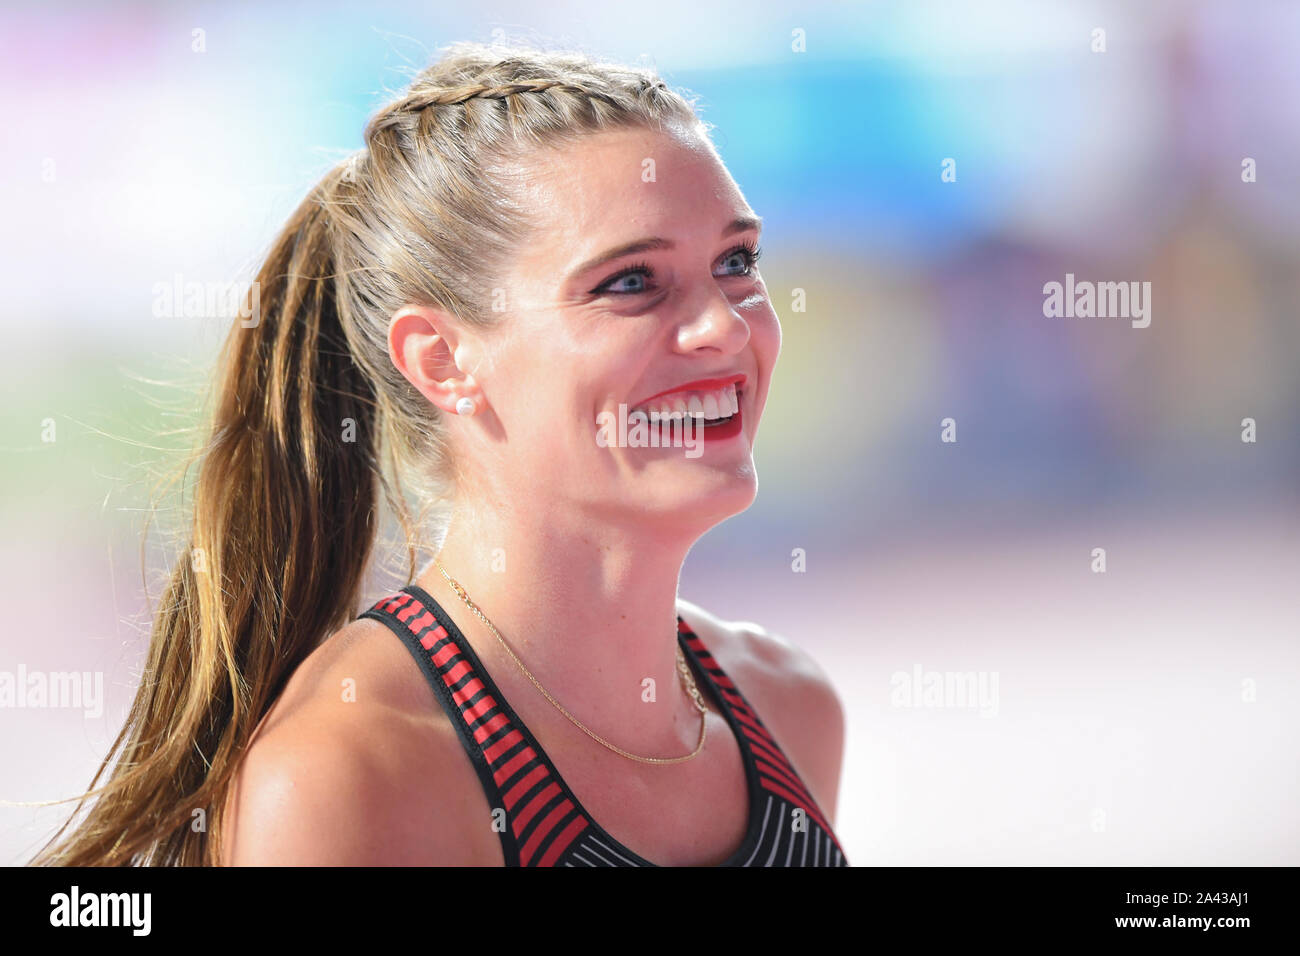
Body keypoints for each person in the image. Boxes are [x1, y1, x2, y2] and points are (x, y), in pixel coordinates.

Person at [32, 41, 848, 867]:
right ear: (443, 361)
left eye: (735, 262)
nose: (726, 327)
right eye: (631, 281)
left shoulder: (788, 706)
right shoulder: (351, 777)